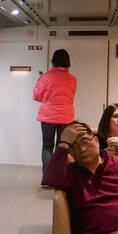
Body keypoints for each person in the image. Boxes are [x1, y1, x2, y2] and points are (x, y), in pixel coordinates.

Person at [33, 49, 76, 186]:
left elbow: (37, 96)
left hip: (48, 117)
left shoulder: (45, 77)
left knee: (47, 147)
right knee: (61, 147)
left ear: (53, 61)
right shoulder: (72, 79)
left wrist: (39, 81)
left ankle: (47, 179)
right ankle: (58, 178)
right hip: (66, 116)